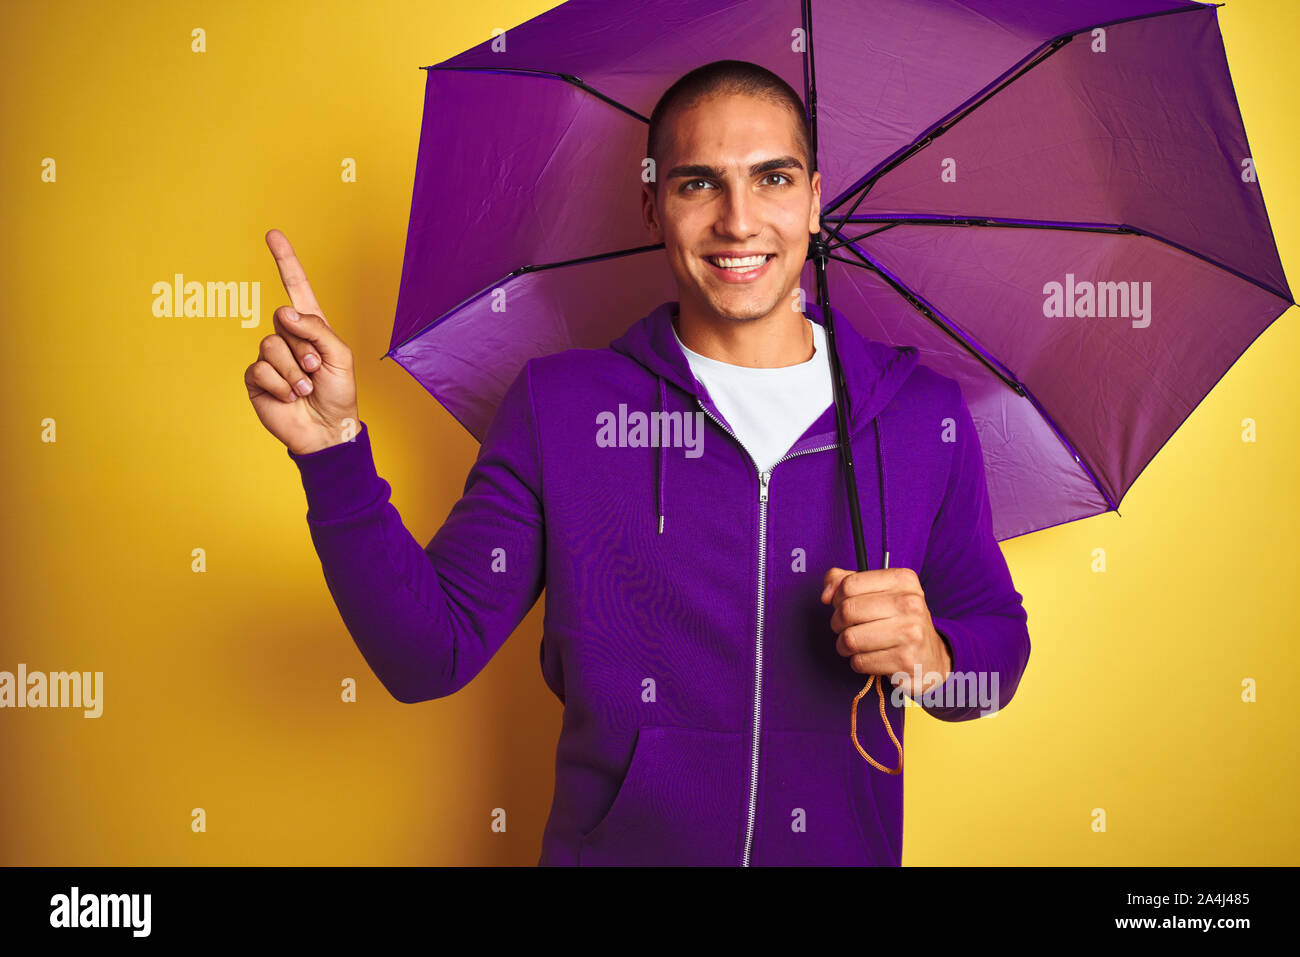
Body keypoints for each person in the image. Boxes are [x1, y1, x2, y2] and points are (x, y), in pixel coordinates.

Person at [244, 59, 1031, 866]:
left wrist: (937, 659)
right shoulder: (564, 409)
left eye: (773, 178)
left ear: (815, 200)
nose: (739, 220)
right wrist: (330, 451)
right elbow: (426, 655)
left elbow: (997, 655)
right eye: (700, 184)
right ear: (653, 206)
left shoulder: (919, 416)